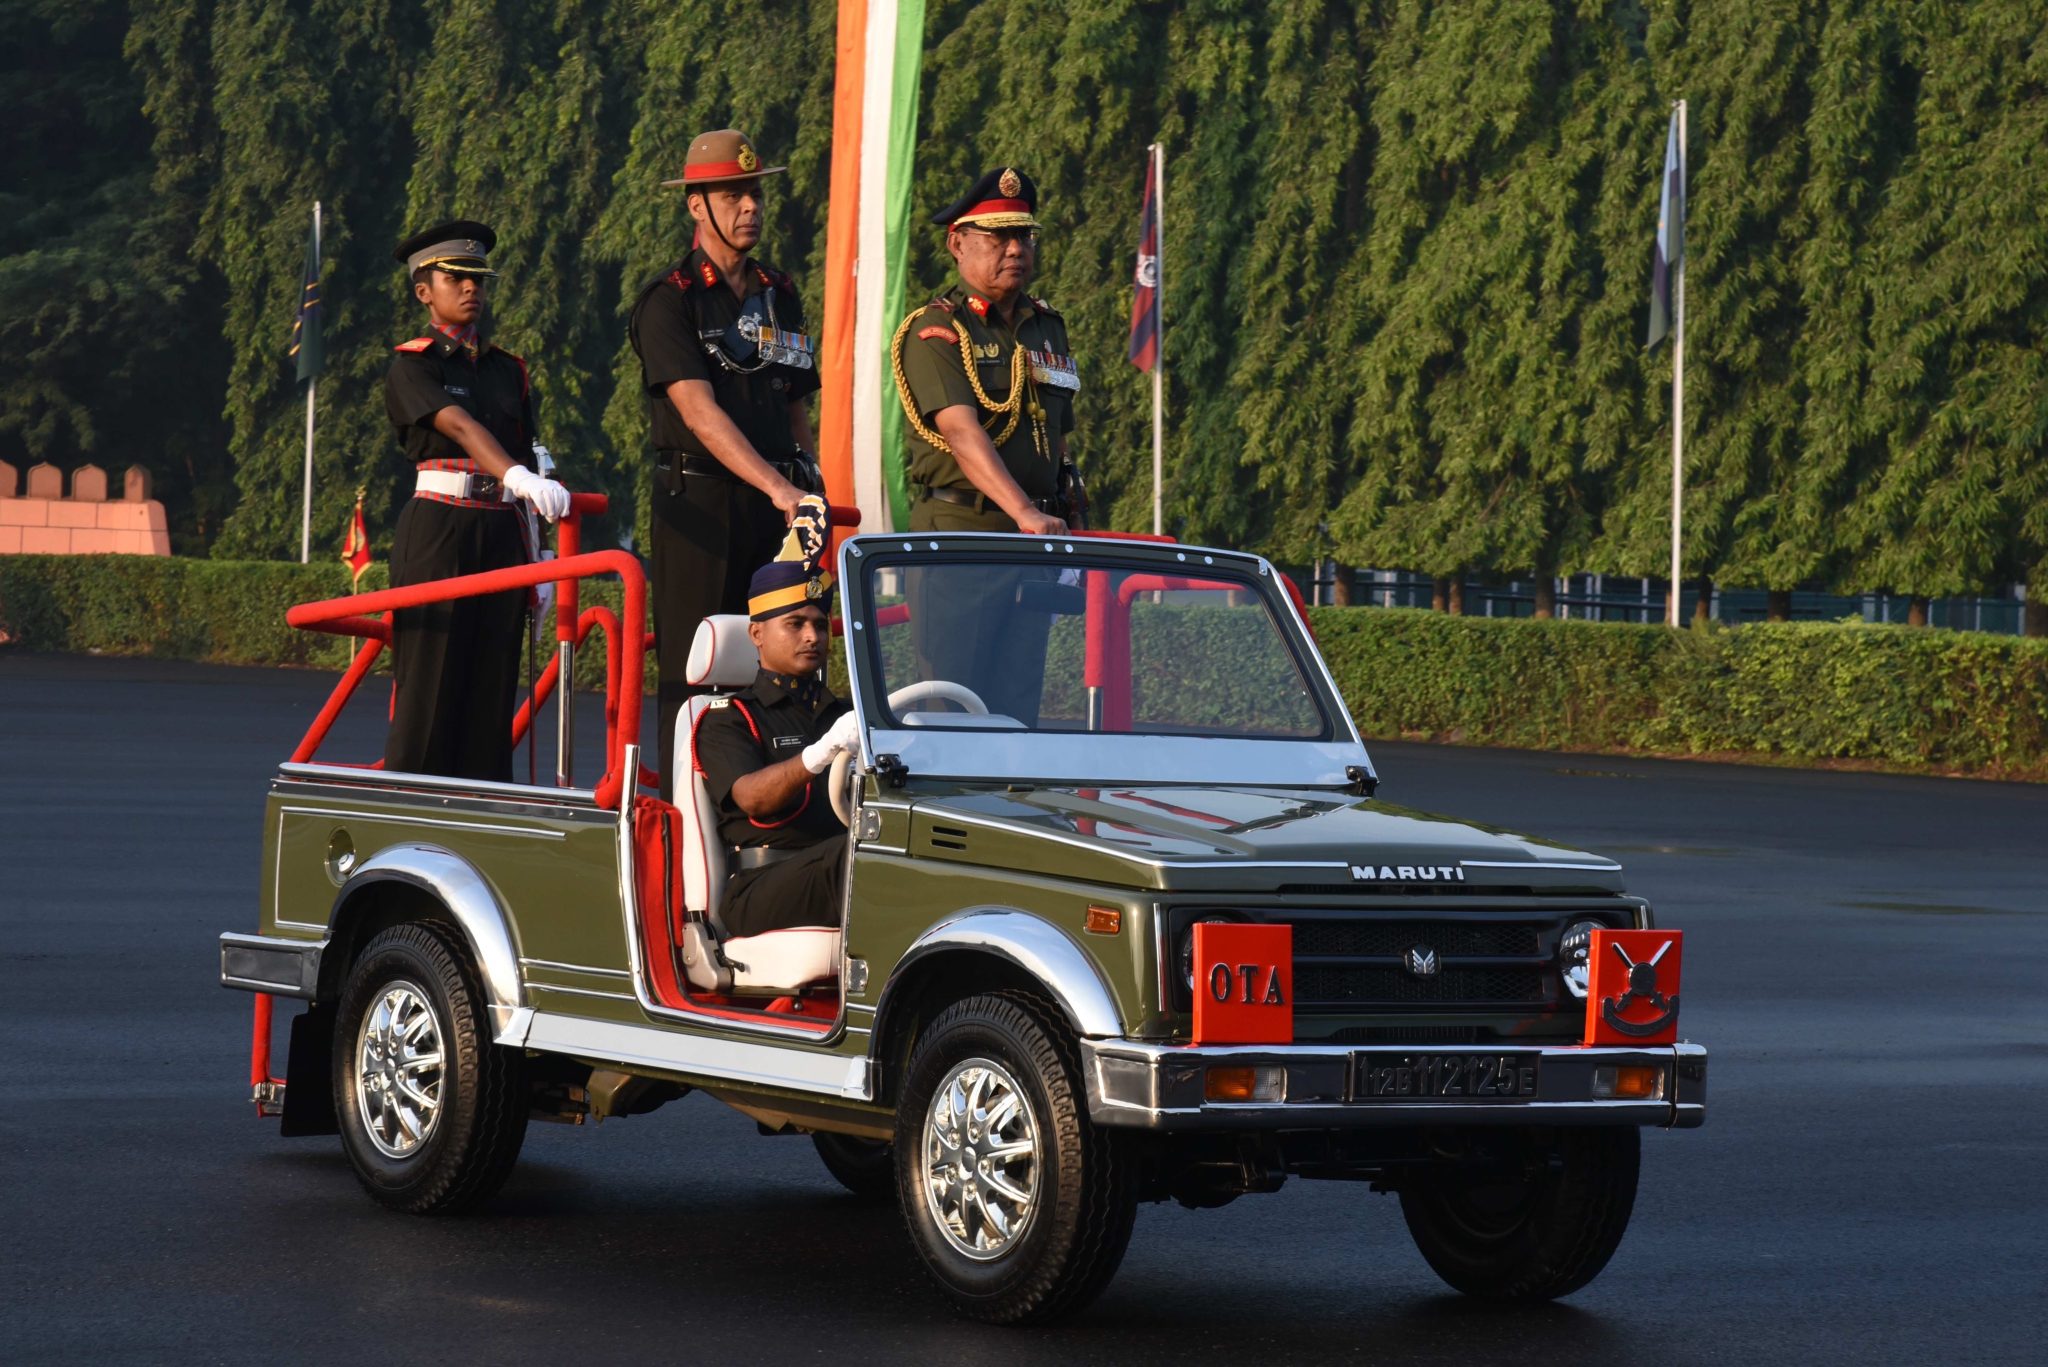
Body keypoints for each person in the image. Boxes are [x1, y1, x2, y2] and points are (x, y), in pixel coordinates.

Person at [629, 128, 822, 792]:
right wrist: (778, 487)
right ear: (695, 205)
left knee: (790, 661)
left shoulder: (779, 292)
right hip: (701, 507)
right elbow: (698, 410)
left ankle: (776, 810)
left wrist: (809, 483)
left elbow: (795, 401)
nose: (750, 207)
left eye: (755, 192)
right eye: (733, 194)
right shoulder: (671, 298)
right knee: (698, 671)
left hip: (776, 506)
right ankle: (685, 830)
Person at [890, 166, 1083, 722]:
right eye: (997, 237)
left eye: (1023, 235)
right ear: (957, 243)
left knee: (1019, 710)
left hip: (1032, 542)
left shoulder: (1047, 327)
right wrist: (1023, 510)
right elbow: (959, 429)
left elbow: (1057, 436)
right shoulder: (938, 330)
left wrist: (1069, 509)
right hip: (963, 542)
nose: (1015, 249)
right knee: (954, 708)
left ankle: (1012, 810)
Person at [381, 219, 570, 780]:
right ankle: (408, 814)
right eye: (456, 278)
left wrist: (539, 559)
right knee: (430, 693)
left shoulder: (507, 369)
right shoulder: (414, 364)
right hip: (440, 530)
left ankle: (483, 816)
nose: (471, 289)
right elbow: (459, 427)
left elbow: (530, 457)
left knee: (491, 693)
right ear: (424, 291)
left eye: (478, 279)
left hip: (502, 529)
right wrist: (520, 476)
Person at [691, 499, 861, 938]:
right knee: (864, 856)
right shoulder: (729, 719)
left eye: (821, 626)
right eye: (796, 623)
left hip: (838, 866)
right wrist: (820, 754)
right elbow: (752, 798)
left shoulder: (844, 715)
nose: (812, 636)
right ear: (756, 634)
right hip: (760, 887)